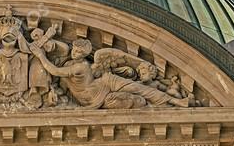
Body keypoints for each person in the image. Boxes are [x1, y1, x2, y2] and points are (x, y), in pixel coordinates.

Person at [29, 39, 189, 109]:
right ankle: (170, 100)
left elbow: (55, 71)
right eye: (74, 50)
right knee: (133, 88)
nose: (74, 53)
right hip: (94, 92)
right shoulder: (72, 64)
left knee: (134, 87)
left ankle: (174, 101)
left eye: (78, 51)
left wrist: (41, 55)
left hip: (98, 89)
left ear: (84, 54)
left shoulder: (81, 67)